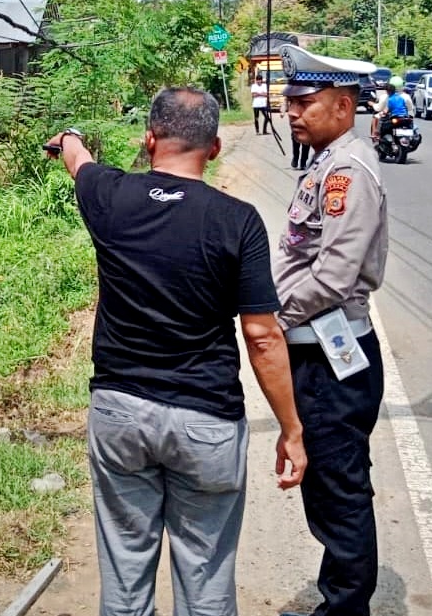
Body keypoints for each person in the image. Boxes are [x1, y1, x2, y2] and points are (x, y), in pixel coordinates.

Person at [46, 87, 306, 616]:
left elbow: (80, 162)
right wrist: (290, 427)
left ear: (148, 140)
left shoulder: (111, 197)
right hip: (206, 422)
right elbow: (261, 335)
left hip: (119, 412)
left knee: (124, 573)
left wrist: (68, 139)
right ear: (213, 149)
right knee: (205, 580)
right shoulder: (239, 221)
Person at [274, 68, 389, 616]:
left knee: (338, 489)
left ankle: (345, 609)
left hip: (330, 354)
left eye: (305, 103)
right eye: (289, 103)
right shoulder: (324, 163)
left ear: (344, 106)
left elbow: (335, 275)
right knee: (328, 483)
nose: (293, 113)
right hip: (319, 349)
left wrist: (273, 316)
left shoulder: (346, 171)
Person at [285, 96, 311, 170]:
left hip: (307, 119)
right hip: (296, 120)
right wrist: (282, 111)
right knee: (295, 140)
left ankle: (303, 162)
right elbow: (285, 102)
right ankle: (295, 158)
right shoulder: (292, 93)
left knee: (306, 142)